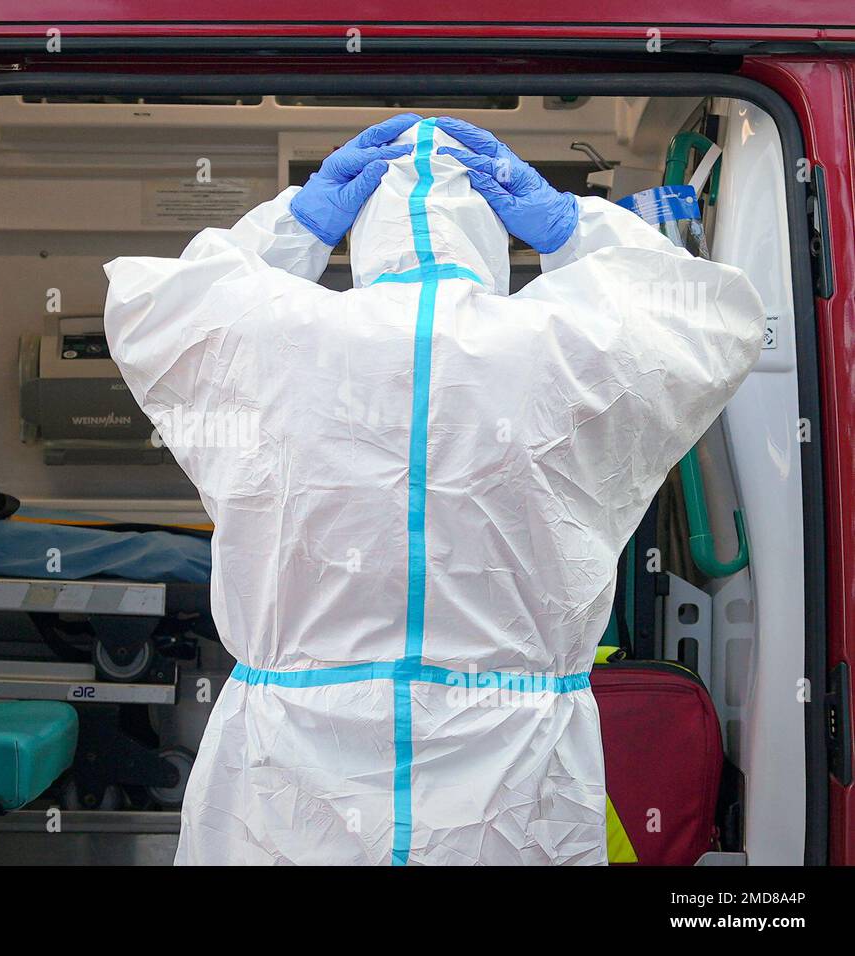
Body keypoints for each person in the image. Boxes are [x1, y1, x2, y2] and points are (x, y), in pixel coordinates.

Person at [102, 114, 764, 865]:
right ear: (491, 230)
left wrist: (296, 226)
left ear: (364, 234)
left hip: (292, 787)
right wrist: (572, 228)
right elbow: (713, 319)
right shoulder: (564, 346)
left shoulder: (277, 341)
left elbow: (156, 308)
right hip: (513, 788)